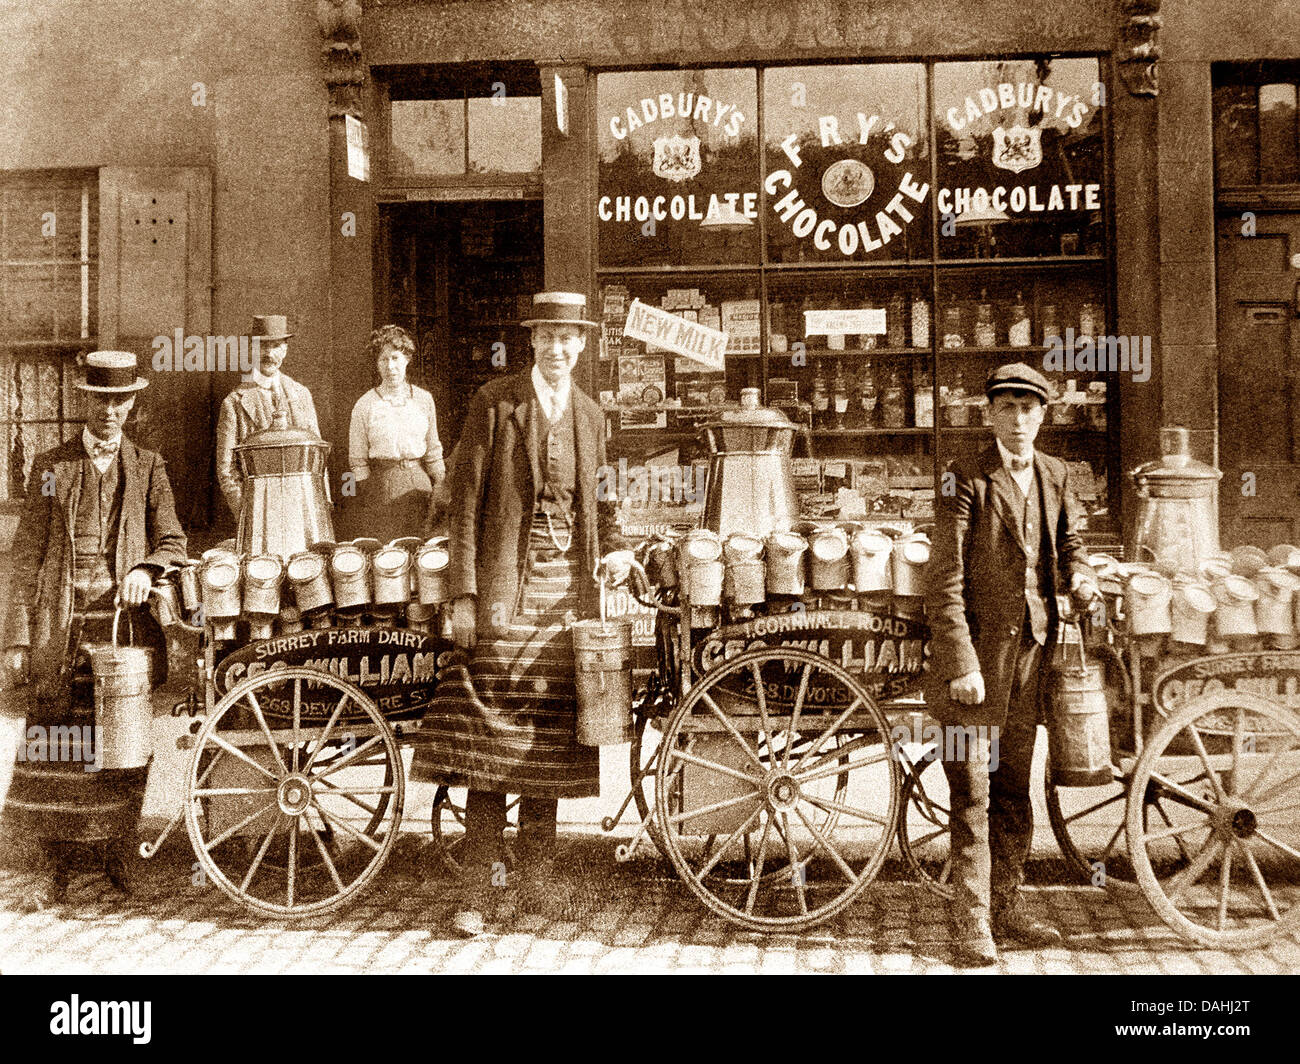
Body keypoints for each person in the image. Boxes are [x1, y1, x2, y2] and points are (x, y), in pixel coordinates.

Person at [411, 292, 631, 938]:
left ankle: (536, 881)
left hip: (568, 604)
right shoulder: (495, 403)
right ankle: (478, 891)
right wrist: (465, 596)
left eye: (570, 339)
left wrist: (615, 552)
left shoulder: (591, 417)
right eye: (549, 338)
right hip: (505, 595)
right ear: (532, 341)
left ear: (582, 346)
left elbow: (605, 505)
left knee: (548, 750)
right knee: (488, 752)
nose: (559, 349)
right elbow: (462, 499)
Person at [925, 362, 1099, 967]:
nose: (1019, 418)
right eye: (1007, 408)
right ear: (990, 414)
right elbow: (943, 579)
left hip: (1032, 659)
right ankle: (970, 928)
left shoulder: (1056, 474)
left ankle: (1005, 907)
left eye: (1029, 408)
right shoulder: (961, 477)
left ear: (1043, 415)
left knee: (1012, 788)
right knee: (971, 794)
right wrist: (961, 663)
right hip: (974, 668)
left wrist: (1081, 575)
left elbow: (1072, 543)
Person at [2, 351, 187, 908]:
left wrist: (144, 569)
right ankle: (52, 868)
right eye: (101, 400)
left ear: (132, 404)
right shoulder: (52, 469)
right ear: (85, 400)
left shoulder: (148, 466)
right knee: (55, 741)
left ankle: (115, 859)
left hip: (122, 630)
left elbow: (174, 542)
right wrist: (16, 639)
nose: (110, 412)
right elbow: (27, 555)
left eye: (121, 401)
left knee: (119, 744)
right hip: (61, 624)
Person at [215, 314, 321, 518]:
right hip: (258, 512)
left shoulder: (302, 394)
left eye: (276, 346)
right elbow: (227, 469)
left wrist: (318, 505)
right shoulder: (235, 402)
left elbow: (317, 456)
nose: (269, 354)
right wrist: (246, 513)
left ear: (286, 349)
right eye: (262, 346)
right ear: (251, 349)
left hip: (301, 508)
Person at [347, 325, 445, 541]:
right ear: (377, 364)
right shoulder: (365, 405)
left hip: (421, 486)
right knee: (388, 554)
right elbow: (357, 461)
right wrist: (369, 495)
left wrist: (440, 487)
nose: (390, 366)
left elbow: (433, 451)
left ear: (407, 359)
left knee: (424, 550)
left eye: (395, 358)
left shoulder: (424, 399)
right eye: (383, 360)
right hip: (383, 488)